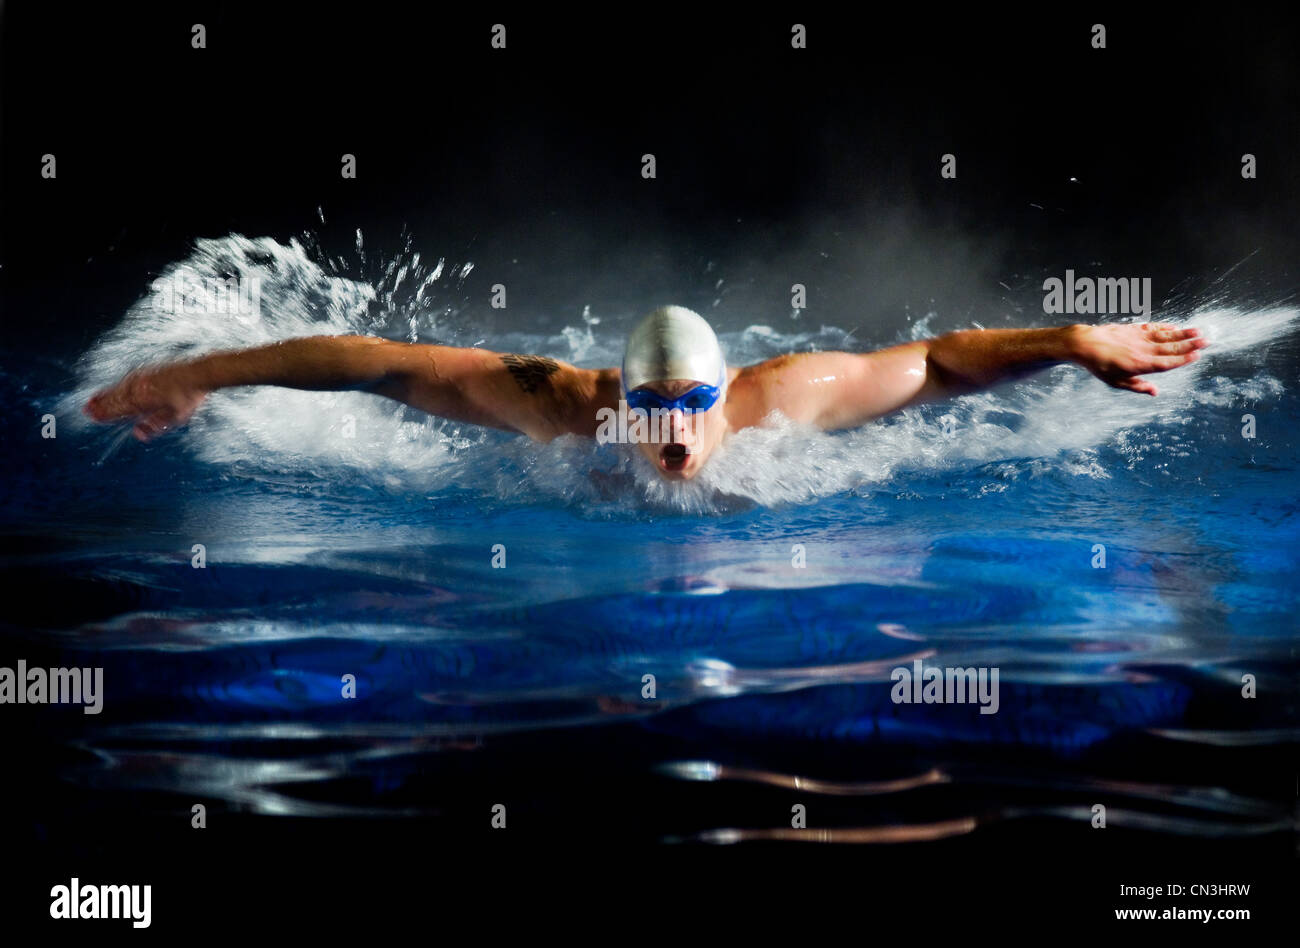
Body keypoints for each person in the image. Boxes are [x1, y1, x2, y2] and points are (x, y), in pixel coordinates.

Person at [84, 304, 1206, 480]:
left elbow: (942, 360)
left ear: (726, 396)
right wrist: (195, 375)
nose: (671, 441)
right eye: (650, 410)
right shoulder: (565, 405)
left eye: (690, 410)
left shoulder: (779, 402)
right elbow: (371, 361)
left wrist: (1070, 338)